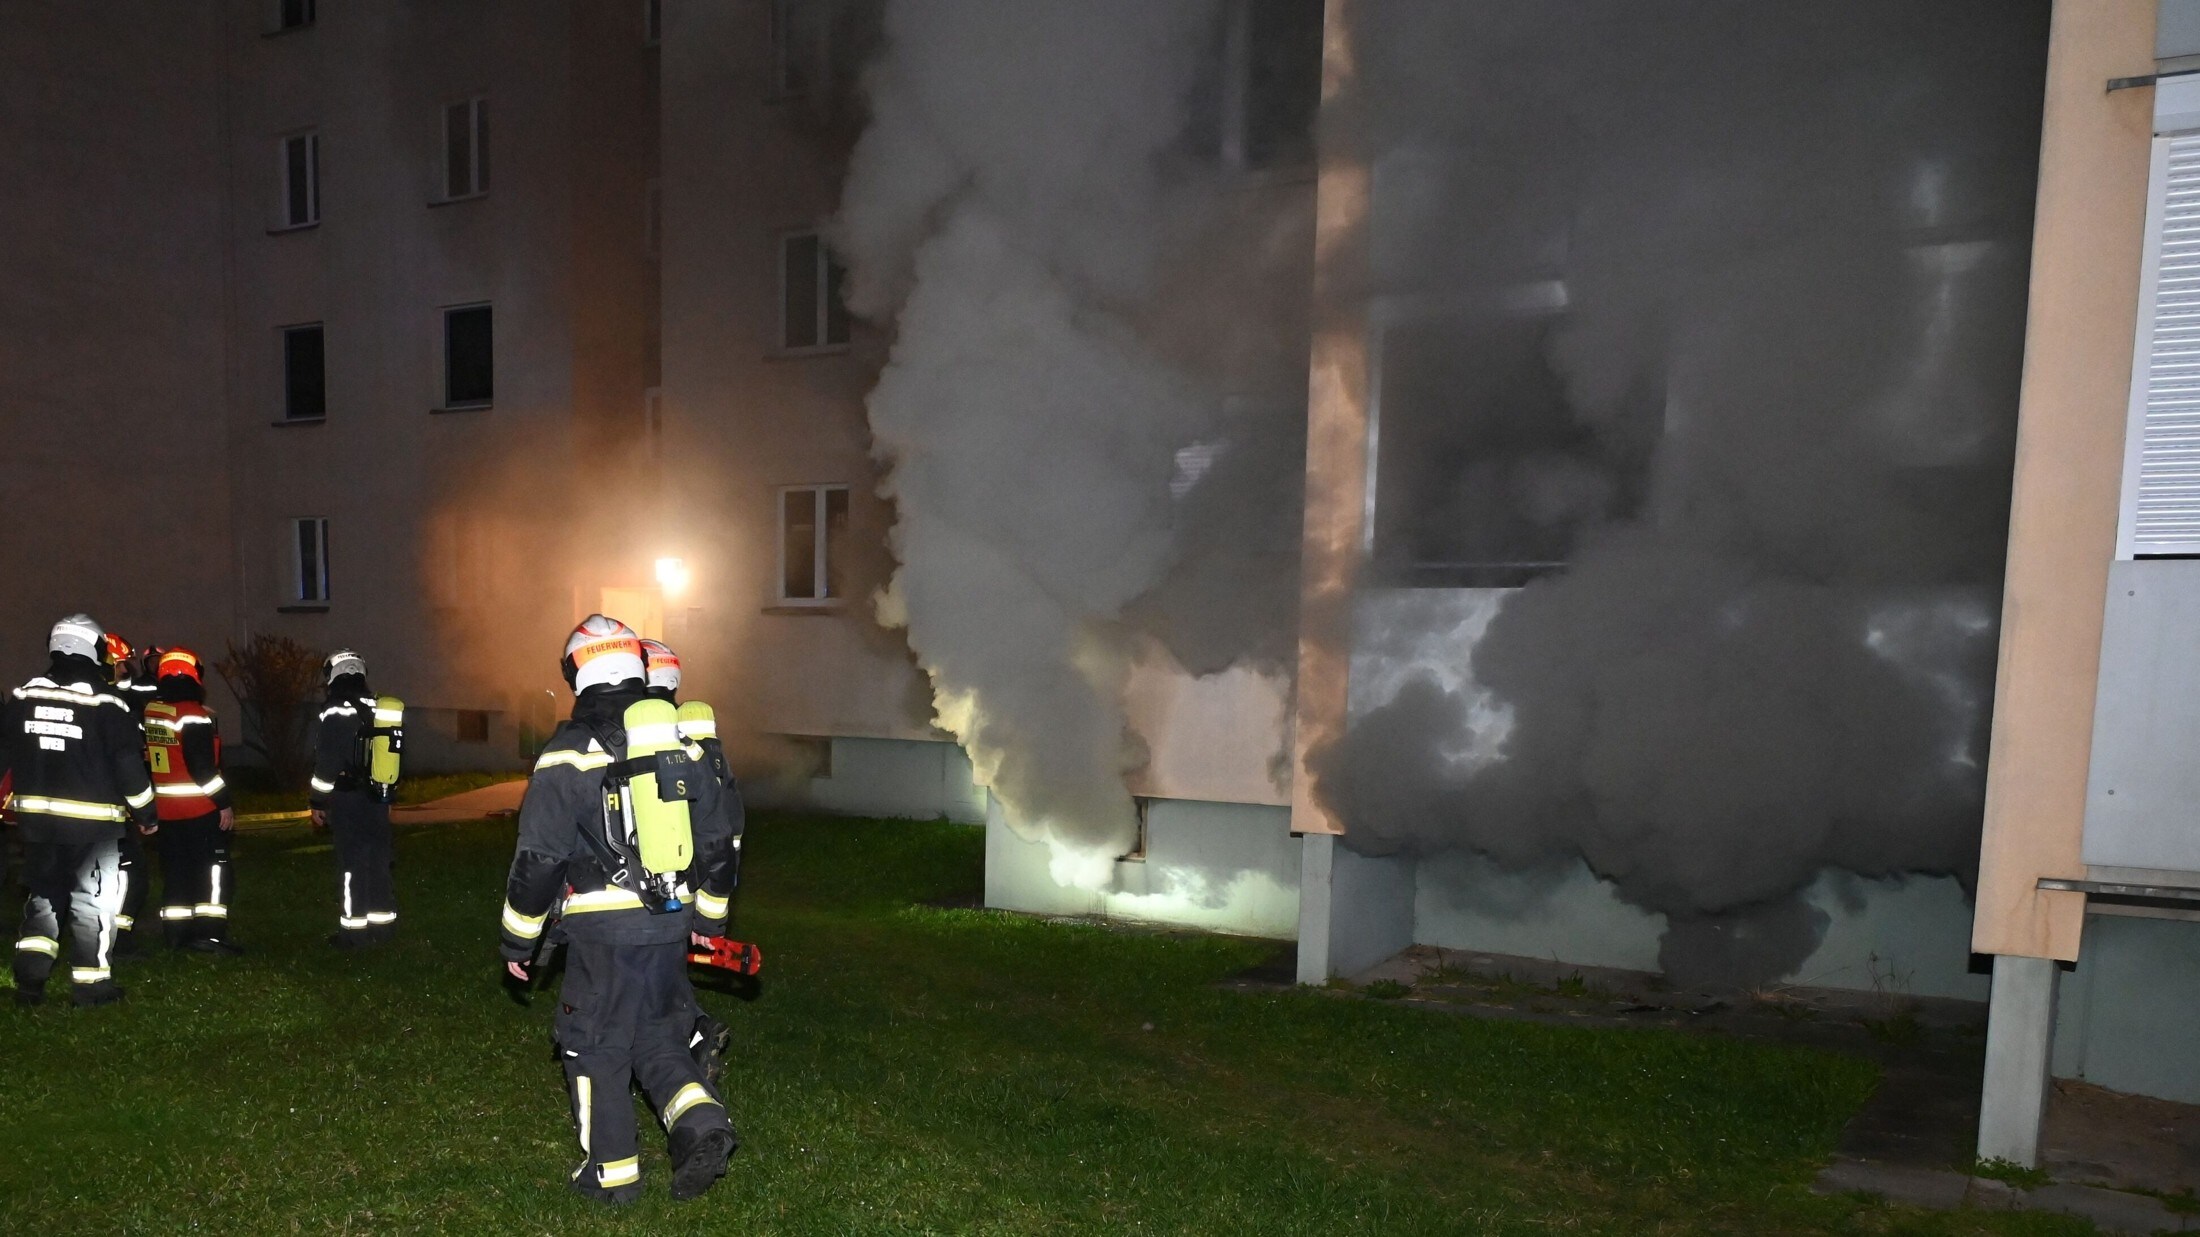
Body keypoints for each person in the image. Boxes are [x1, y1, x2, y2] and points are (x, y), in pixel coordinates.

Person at [498, 615, 740, 1204]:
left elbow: (538, 859)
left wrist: (517, 943)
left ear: (577, 674)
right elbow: (718, 842)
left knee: (593, 1045)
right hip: (670, 923)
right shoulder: (681, 744)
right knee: (660, 1039)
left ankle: (612, 1177)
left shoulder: (566, 753)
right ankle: (702, 1123)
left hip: (601, 935)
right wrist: (708, 923)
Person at [3, 615, 157, 1007]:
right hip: (92, 828)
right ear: (94, 650)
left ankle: (29, 981)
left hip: (38, 826)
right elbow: (127, 765)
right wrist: (147, 814)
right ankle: (92, 987)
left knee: (43, 898)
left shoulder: (24, 696)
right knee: (93, 903)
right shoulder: (106, 702)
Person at [143, 649, 240, 954]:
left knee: (176, 874)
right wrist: (223, 802)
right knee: (213, 874)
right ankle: (209, 936)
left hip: (166, 812)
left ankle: (176, 935)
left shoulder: (154, 711)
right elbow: (202, 767)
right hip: (199, 810)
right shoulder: (194, 715)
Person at [309, 649, 398, 947]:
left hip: (347, 799)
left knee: (352, 865)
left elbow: (327, 762)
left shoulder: (335, 709)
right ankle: (382, 929)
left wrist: (317, 801)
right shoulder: (379, 706)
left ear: (333, 675)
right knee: (377, 861)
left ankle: (353, 933)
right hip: (377, 797)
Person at [103, 633, 158, 954]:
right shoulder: (110, 708)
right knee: (131, 874)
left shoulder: (113, 701)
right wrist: (144, 813)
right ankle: (118, 938)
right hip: (110, 808)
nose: (127, 670)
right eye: (122, 664)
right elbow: (125, 760)